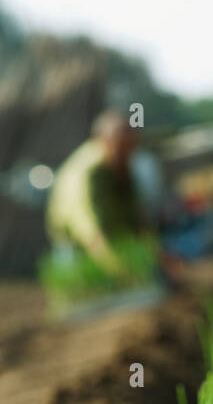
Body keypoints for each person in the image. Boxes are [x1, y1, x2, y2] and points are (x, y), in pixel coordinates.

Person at [46, 112, 146, 280]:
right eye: (122, 147)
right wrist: (119, 269)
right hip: (77, 247)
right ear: (104, 142)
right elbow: (91, 234)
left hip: (114, 239)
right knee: (85, 293)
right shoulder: (86, 174)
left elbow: (137, 216)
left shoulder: (122, 167)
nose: (128, 155)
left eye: (131, 147)